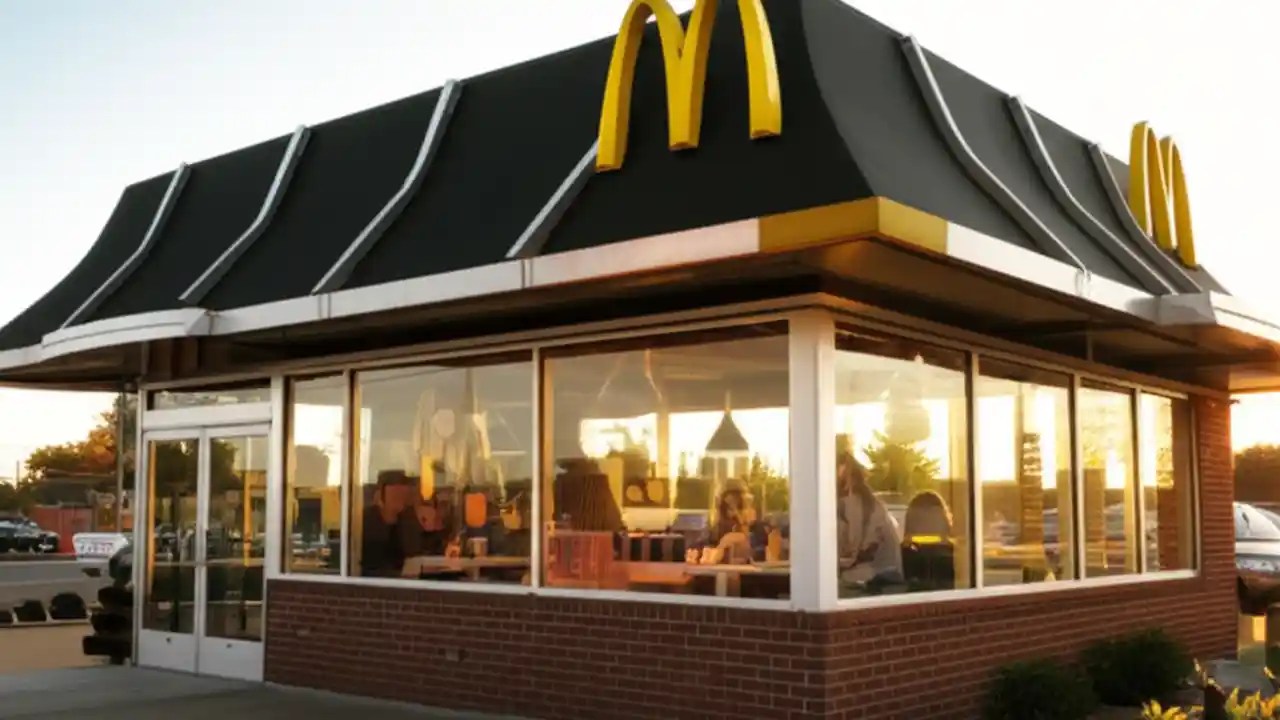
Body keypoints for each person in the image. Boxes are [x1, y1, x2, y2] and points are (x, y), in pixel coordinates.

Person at [836, 451, 903, 586]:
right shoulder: (869, 503)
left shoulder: (853, 505)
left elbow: (850, 553)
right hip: (884, 579)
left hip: (876, 580)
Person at [360, 471, 418, 577]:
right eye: (395, 494)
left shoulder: (407, 518)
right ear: (380, 495)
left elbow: (413, 553)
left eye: (403, 494)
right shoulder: (366, 520)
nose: (401, 497)